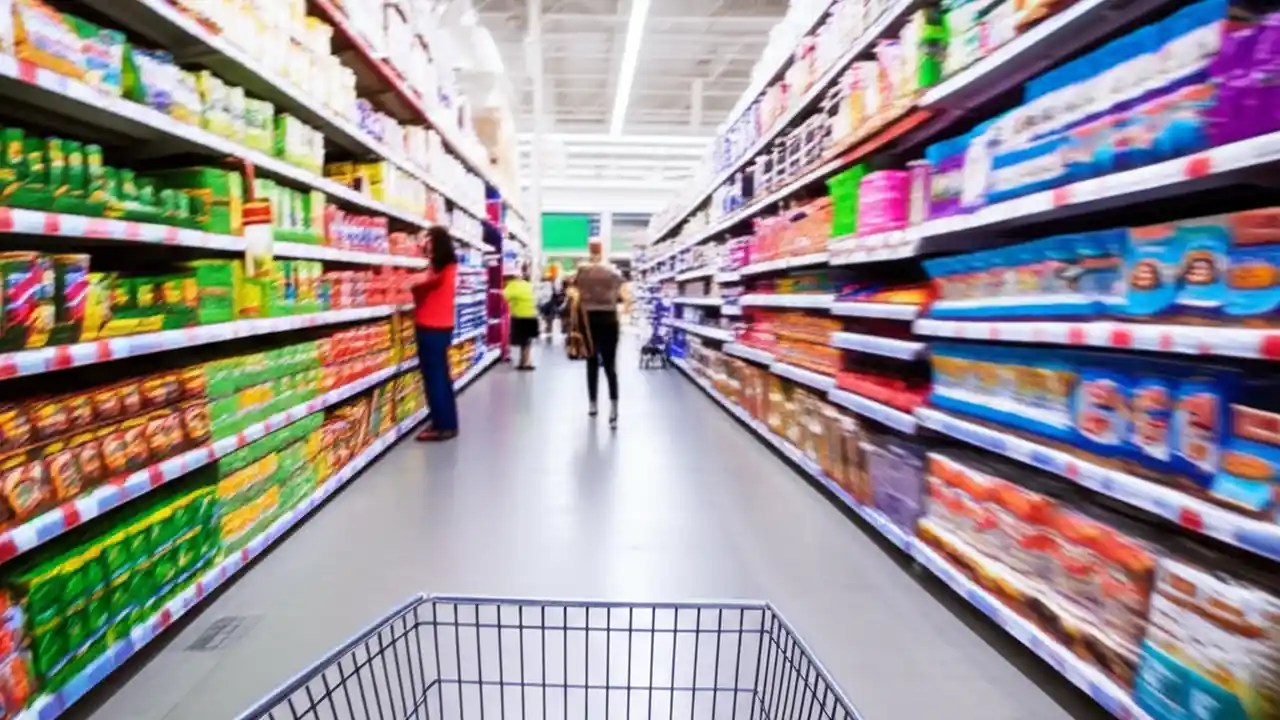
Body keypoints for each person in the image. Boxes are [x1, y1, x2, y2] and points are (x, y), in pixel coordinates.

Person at [409, 226, 459, 442]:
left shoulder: (441, 270)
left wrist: (408, 284)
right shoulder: (448, 266)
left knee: (435, 379)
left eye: (427, 240)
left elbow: (423, 284)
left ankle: (442, 427)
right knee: (443, 378)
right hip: (442, 327)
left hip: (430, 327)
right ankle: (447, 422)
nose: (424, 244)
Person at [572, 239, 624, 428]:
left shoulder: (582, 271)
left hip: (589, 320)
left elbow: (573, 287)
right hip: (610, 319)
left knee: (591, 362)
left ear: (589, 250)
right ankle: (614, 410)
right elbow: (620, 292)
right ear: (602, 250)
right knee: (610, 366)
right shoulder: (612, 271)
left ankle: (593, 404)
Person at [503, 267, 538, 370]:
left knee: (523, 341)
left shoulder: (512, 285)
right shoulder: (527, 285)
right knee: (527, 341)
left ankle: (526, 363)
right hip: (531, 315)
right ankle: (524, 362)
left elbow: (504, 296)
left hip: (520, 316)